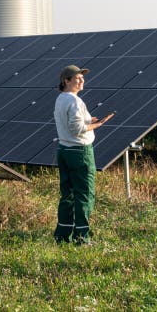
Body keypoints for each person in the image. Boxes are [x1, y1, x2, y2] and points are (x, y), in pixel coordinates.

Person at [52, 65, 114, 245]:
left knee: (68, 195)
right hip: (80, 152)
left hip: (64, 150)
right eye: (77, 78)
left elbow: (70, 122)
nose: (82, 81)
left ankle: (62, 236)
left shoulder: (60, 99)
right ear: (66, 81)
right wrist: (97, 125)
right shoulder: (75, 101)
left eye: (82, 77)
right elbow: (77, 129)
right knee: (84, 195)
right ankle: (82, 238)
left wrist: (88, 119)